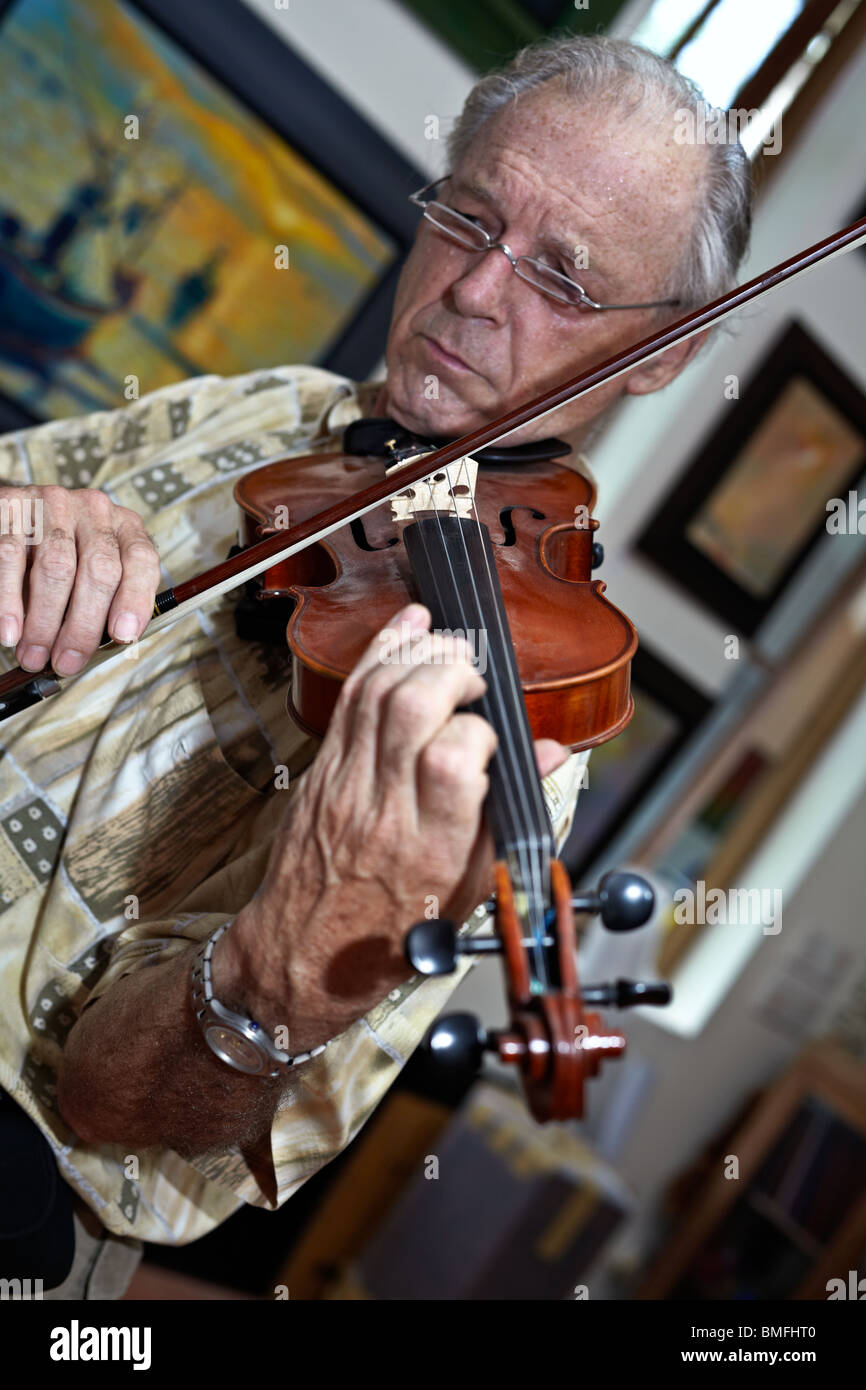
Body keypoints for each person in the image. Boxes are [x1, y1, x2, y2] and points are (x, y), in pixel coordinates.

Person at [0, 35, 751, 1297]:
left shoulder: (509, 735)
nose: (472, 292)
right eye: (468, 217)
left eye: (561, 280)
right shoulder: (272, 406)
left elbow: (120, 1109)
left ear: (664, 352)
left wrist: (274, 972)